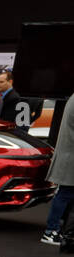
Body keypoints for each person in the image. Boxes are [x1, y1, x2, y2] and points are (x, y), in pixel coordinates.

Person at [41, 93, 73, 245]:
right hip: (70, 156)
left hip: (68, 154)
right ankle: (51, 231)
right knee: (65, 193)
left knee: (66, 194)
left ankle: (56, 230)